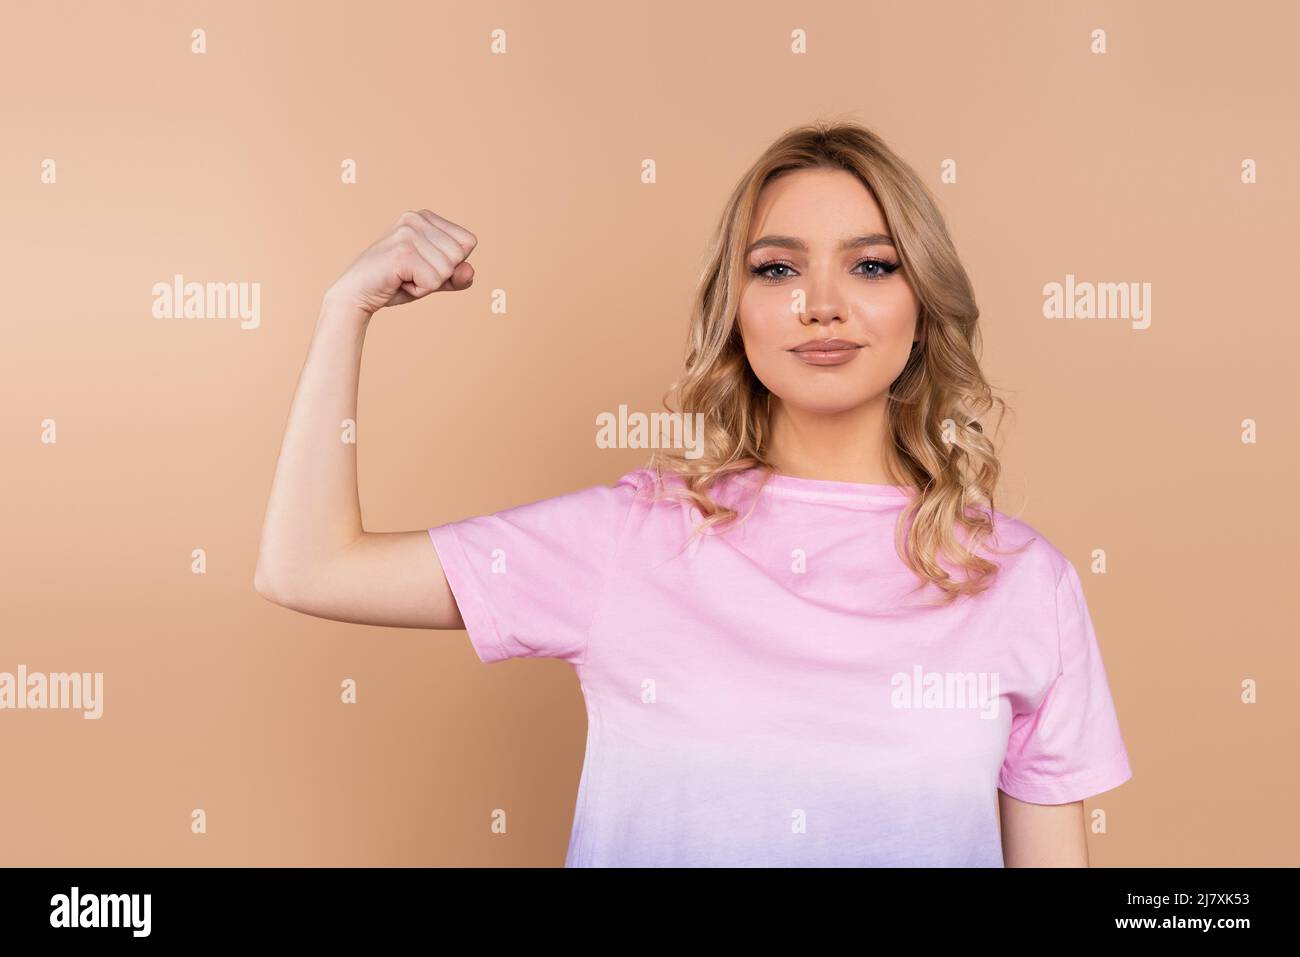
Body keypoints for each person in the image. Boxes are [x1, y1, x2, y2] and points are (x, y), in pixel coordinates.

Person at [254, 120, 1133, 867]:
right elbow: (307, 566)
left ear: (924, 302)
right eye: (778, 270)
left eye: (871, 266)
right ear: (735, 308)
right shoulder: (628, 540)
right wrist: (346, 310)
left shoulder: (1023, 581)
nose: (822, 304)